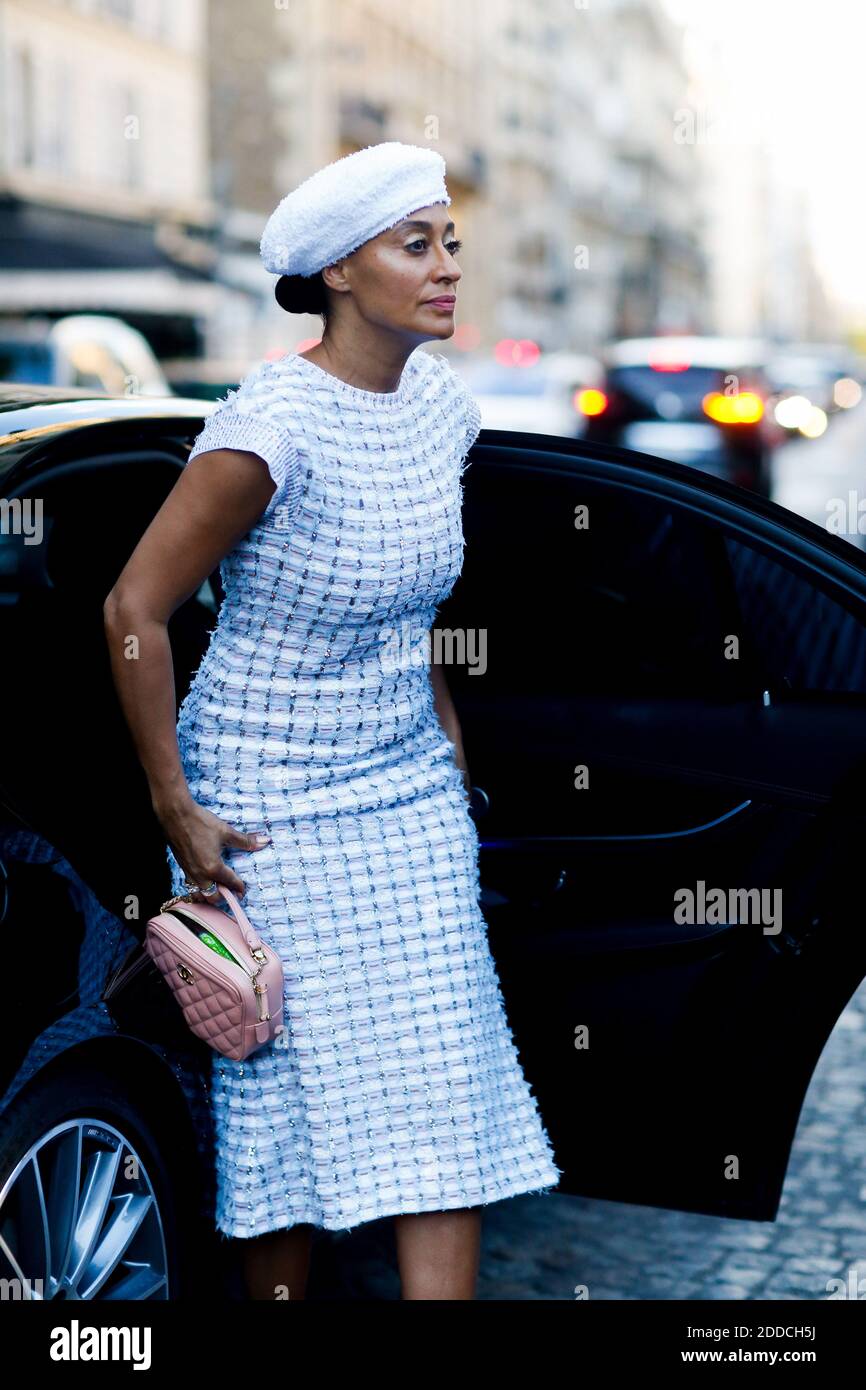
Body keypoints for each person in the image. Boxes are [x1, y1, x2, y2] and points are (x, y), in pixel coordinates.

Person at [103, 141, 561, 1301]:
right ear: (341, 273)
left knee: (439, 1096)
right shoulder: (272, 426)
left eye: (448, 239)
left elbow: (412, 618)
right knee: (287, 1110)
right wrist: (177, 804)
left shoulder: (442, 411)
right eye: (416, 245)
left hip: (403, 791)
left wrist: (449, 769)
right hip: (261, 808)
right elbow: (134, 608)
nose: (447, 264)